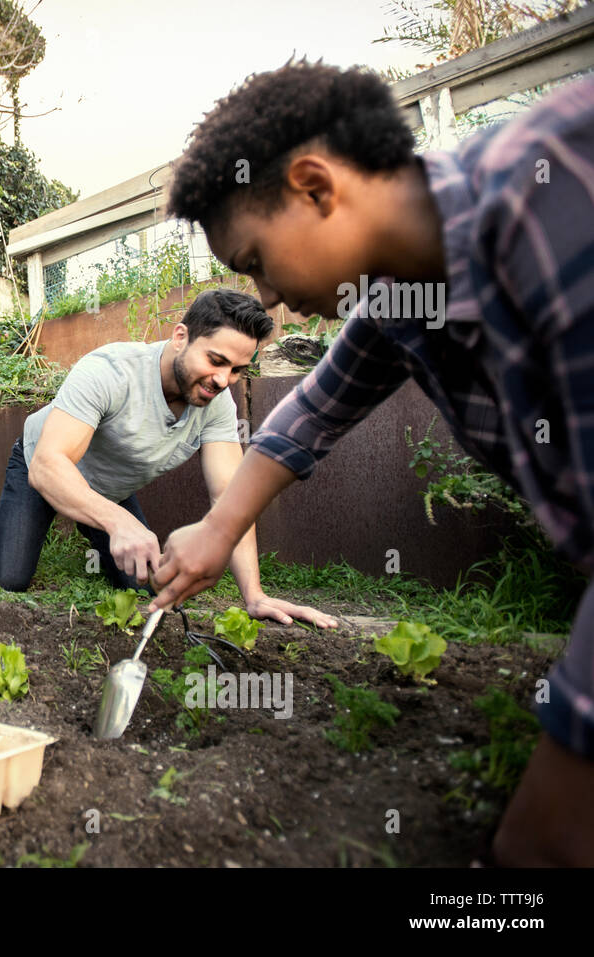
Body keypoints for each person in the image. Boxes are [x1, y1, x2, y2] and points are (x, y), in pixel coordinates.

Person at [151, 62, 594, 865]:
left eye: (255, 258)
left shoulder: (552, 201)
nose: (268, 294)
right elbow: (316, 408)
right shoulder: (400, 290)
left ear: (317, 186)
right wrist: (217, 530)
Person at [0, 287, 336, 629]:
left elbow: (230, 496)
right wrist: (119, 522)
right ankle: (22, 531)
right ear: (180, 336)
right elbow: (48, 465)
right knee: (10, 577)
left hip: (110, 488)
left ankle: (101, 538)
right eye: (216, 360)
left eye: (238, 370)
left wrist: (254, 596)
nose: (223, 380)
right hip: (46, 464)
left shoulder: (217, 405)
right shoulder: (110, 370)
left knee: (148, 587)